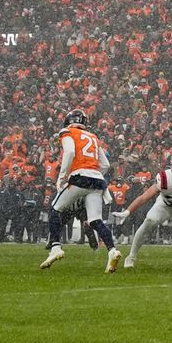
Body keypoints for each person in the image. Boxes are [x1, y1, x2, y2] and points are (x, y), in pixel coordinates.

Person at [41, 111, 119, 272]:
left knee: (55, 209)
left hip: (80, 177)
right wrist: (93, 175)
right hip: (97, 180)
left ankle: (55, 247)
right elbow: (105, 165)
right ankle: (112, 250)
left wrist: (62, 177)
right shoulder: (93, 136)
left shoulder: (67, 132)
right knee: (95, 220)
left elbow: (69, 152)